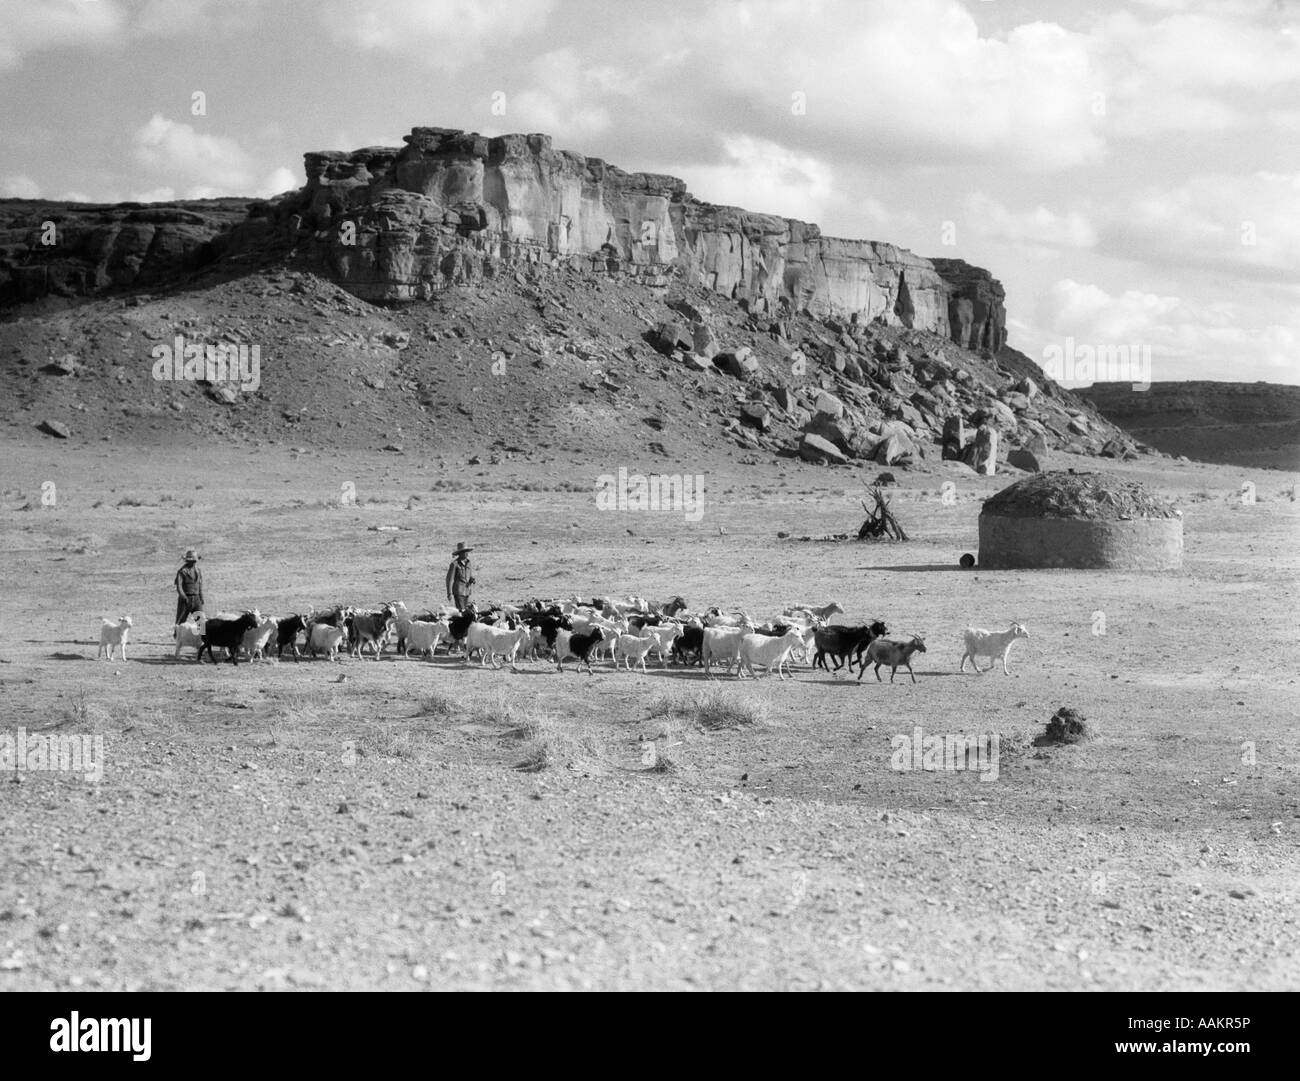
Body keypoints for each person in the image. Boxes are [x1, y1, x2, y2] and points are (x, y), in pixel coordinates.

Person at [174, 548, 204, 625]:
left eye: (195, 561)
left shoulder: (198, 570)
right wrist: (184, 597)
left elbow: (199, 585)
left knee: (201, 623)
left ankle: (202, 637)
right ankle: (177, 635)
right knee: (180, 623)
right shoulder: (182, 571)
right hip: (185, 599)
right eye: (193, 561)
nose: (194, 562)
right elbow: (179, 586)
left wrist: (201, 597)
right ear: (188, 561)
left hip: (196, 599)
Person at [445, 542, 475, 610]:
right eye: (465, 551)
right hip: (458, 591)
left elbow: (470, 576)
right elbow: (449, 579)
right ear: (460, 553)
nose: (467, 553)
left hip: (467, 591)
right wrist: (449, 593)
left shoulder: (469, 563)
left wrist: (472, 579)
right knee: (461, 611)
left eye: (467, 551)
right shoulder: (454, 564)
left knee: (466, 611)